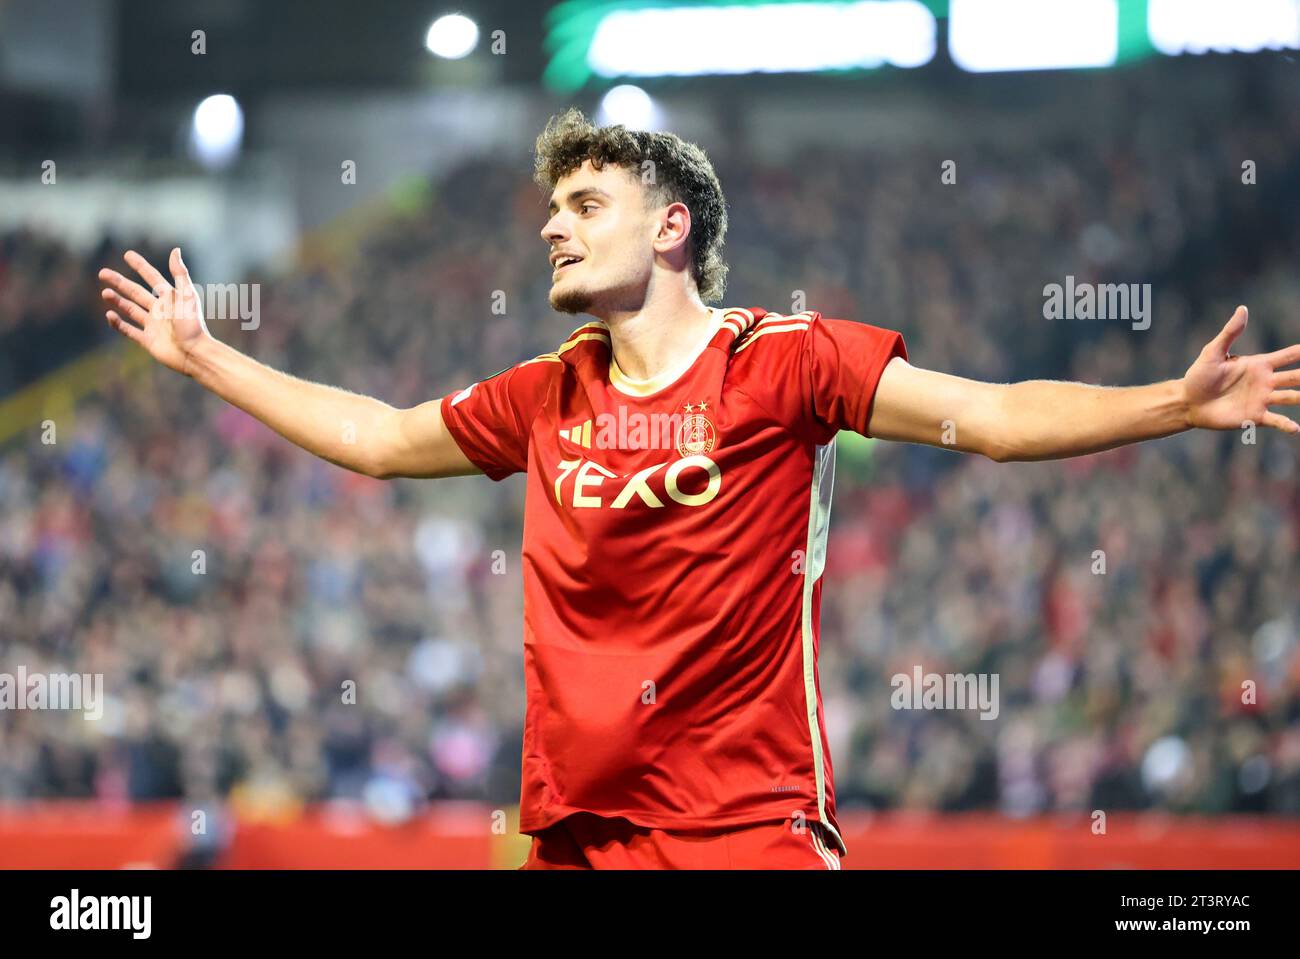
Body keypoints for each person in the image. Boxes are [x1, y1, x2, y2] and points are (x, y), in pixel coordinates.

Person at [97, 108, 1300, 869]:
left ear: (670, 226)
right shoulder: (544, 392)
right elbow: (373, 435)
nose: (552, 232)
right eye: (550, 211)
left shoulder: (784, 362)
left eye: (584, 206)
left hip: (745, 833)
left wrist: (1173, 403)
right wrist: (206, 355)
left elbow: (986, 417)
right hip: (573, 839)